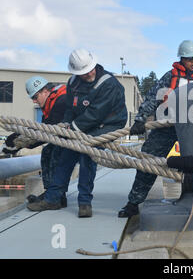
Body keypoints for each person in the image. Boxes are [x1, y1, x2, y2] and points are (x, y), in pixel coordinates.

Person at [27, 49, 128, 218]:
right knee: (65, 154)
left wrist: (73, 128)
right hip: (83, 122)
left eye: (90, 70)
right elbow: (70, 108)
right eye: (83, 72)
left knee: (87, 155)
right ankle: (53, 198)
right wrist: (67, 124)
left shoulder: (109, 84)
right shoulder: (73, 82)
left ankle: (84, 203)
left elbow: (96, 114)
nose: (88, 74)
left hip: (108, 123)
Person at [118, 40, 193, 218]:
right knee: (149, 161)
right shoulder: (170, 77)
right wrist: (140, 118)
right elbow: (154, 97)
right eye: (189, 58)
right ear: (182, 59)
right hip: (166, 127)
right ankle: (134, 203)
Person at [2, 76, 67, 207]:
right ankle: (52, 193)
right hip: (66, 138)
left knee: (53, 153)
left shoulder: (61, 101)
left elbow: (45, 131)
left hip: (80, 138)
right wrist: (19, 143)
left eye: (35, 97)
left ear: (45, 91)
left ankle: (55, 197)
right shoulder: (51, 104)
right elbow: (41, 133)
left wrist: (16, 141)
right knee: (48, 151)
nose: (34, 101)